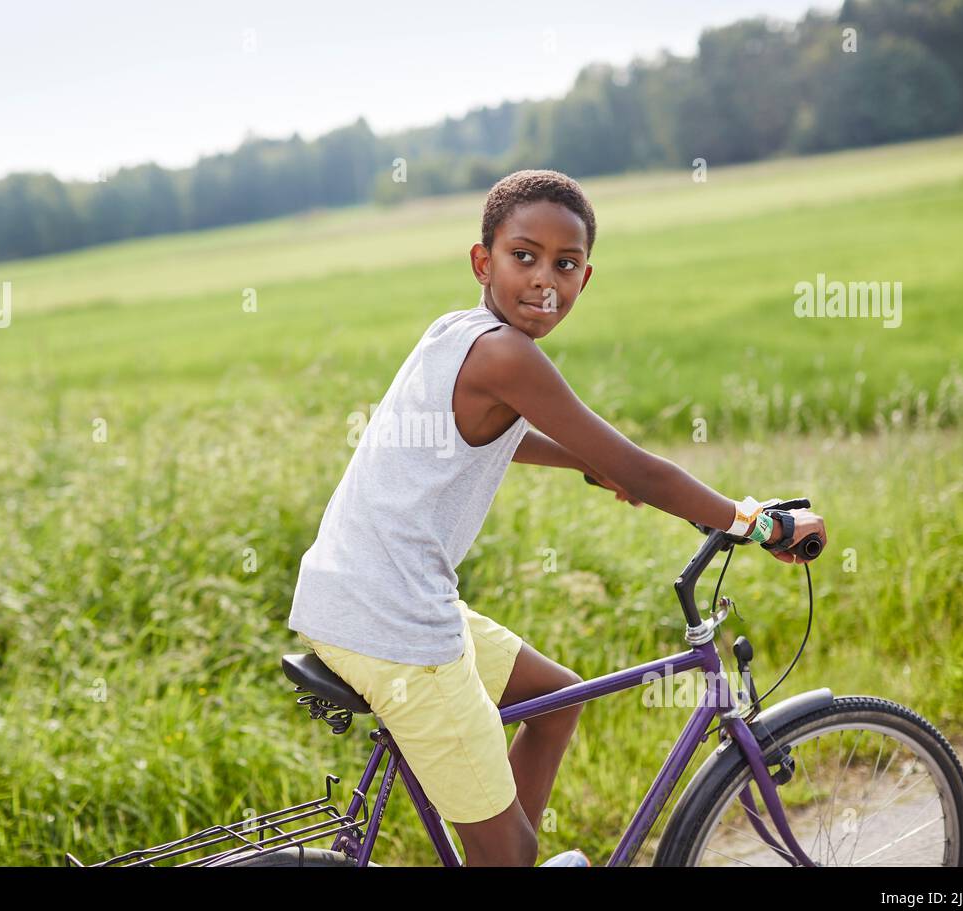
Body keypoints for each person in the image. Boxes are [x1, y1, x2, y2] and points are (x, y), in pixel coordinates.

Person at [287, 169, 827, 866]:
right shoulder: (509, 355)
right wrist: (756, 523)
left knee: (556, 696)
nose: (545, 278)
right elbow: (644, 471)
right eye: (524, 257)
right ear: (483, 261)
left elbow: (475, 431)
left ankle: (510, 852)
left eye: (565, 265)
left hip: (354, 595)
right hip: (395, 625)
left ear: (585, 278)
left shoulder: (458, 333)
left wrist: (580, 463)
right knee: (503, 853)